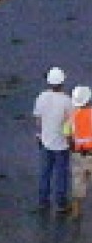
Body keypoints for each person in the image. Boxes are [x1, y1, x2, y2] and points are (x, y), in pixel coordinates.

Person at [33, 67, 72, 213]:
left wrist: (39, 134)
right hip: (61, 145)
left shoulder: (42, 97)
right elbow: (68, 125)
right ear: (62, 82)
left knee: (45, 173)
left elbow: (38, 120)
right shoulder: (67, 101)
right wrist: (70, 141)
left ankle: (43, 201)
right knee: (61, 175)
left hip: (45, 142)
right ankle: (61, 203)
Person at [65, 85, 92, 219]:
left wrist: (72, 147)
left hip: (78, 155)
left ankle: (76, 212)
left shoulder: (72, 116)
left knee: (78, 182)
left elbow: (67, 134)